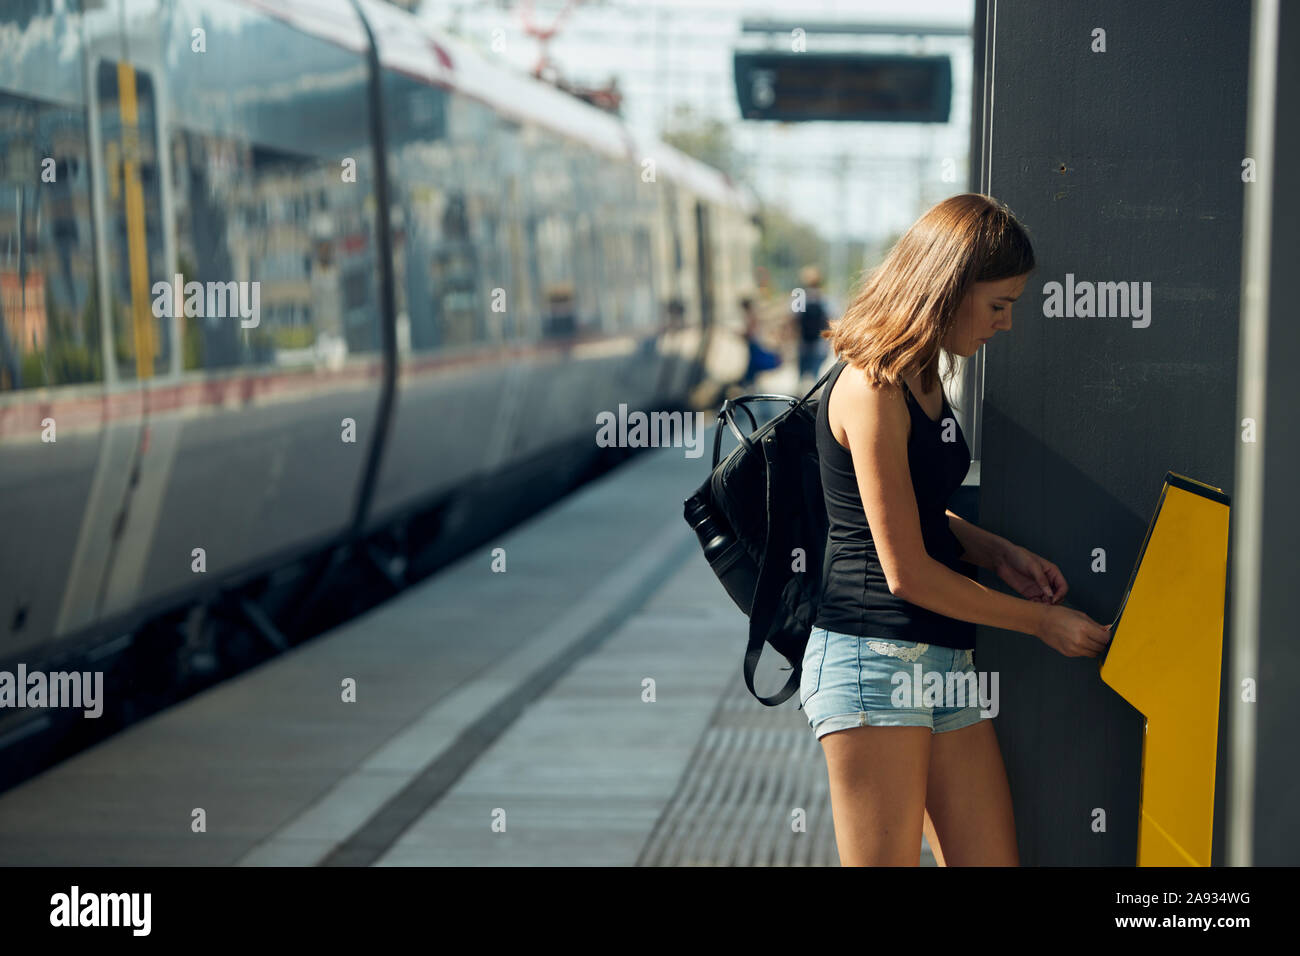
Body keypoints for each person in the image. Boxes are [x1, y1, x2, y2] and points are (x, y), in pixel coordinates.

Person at [802, 193, 1111, 866]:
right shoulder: (872, 385)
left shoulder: (924, 377)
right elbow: (904, 571)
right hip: (871, 662)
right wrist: (1040, 624)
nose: (1005, 325)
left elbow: (905, 506)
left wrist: (996, 550)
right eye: (998, 305)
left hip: (944, 660)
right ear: (945, 288)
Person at [790, 265, 832, 387]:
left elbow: (793, 319)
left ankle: (799, 399)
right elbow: (831, 320)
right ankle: (814, 401)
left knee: (801, 375)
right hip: (819, 342)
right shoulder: (824, 299)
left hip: (802, 341)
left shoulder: (800, 297)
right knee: (815, 375)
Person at [737, 295, 780, 387]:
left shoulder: (750, 316)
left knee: (752, 365)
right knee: (752, 365)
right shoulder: (753, 314)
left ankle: (748, 384)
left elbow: (750, 332)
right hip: (755, 343)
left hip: (753, 344)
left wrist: (739, 334)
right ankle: (750, 383)